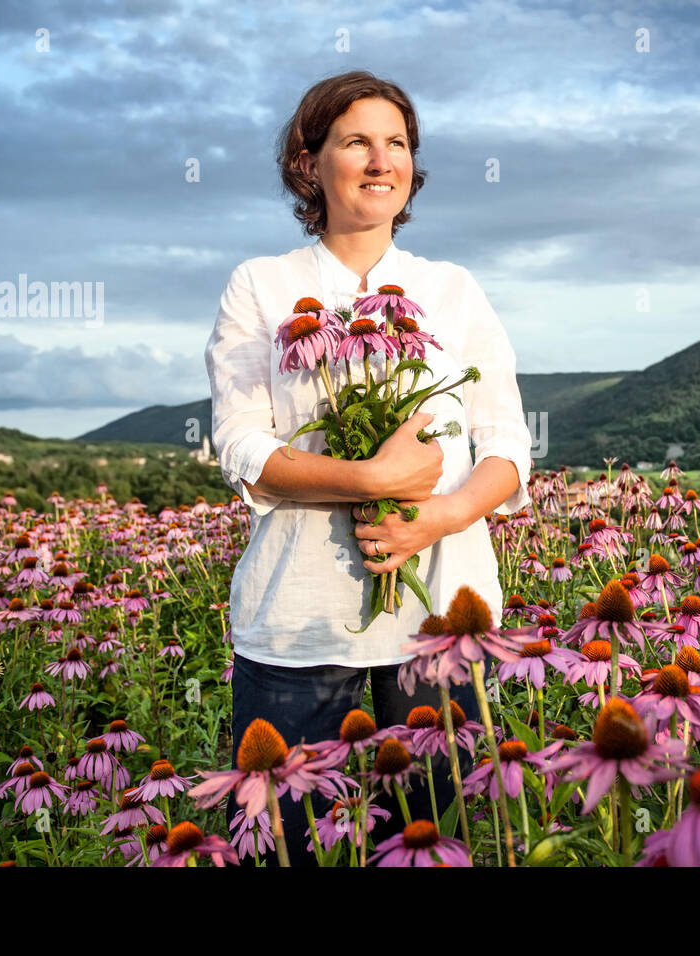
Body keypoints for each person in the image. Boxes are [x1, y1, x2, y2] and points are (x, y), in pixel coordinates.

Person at [203, 70, 533, 866]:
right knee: (290, 846)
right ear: (308, 162)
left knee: (420, 843)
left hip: (438, 625)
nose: (381, 160)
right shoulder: (264, 285)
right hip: (301, 623)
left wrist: (441, 516)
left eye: (398, 144)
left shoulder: (451, 291)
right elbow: (243, 447)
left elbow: (507, 449)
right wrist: (374, 481)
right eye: (356, 141)